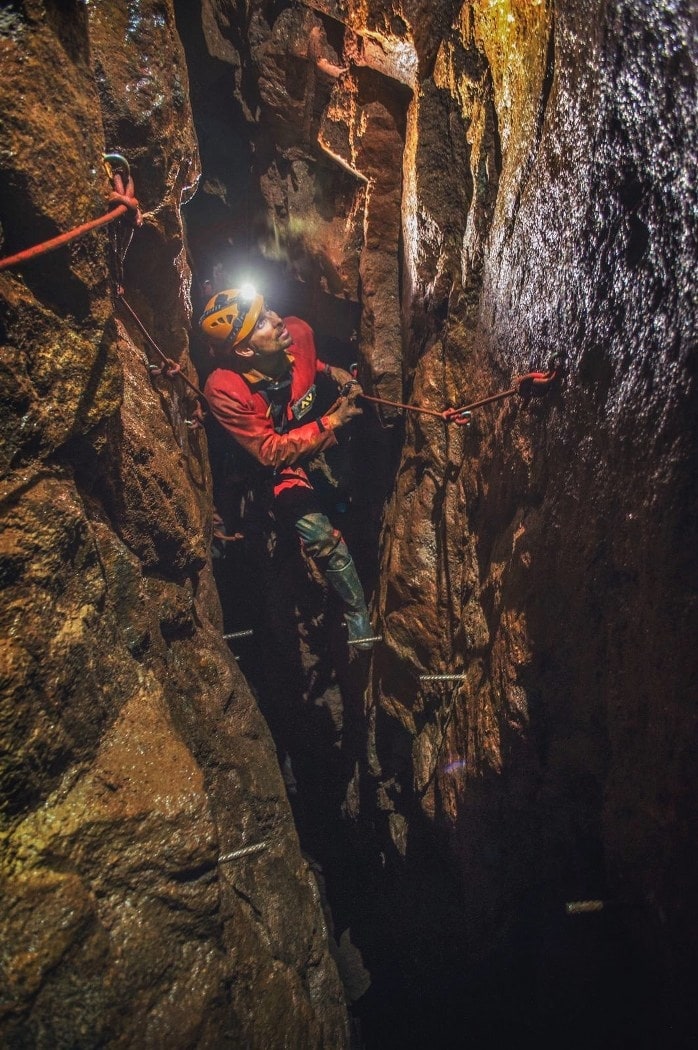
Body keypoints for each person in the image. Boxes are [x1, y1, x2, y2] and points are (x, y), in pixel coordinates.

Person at [200, 285, 374, 650]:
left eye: (269, 309)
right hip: (264, 467)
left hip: (304, 437)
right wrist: (331, 424)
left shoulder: (299, 334)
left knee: (347, 493)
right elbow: (267, 452)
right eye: (262, 321)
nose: (278, 320)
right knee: (319, 535)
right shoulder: (225, 389)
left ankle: (357, 603)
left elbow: (307, 362)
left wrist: (332, 371)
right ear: (245, 349)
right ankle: (356, 614)